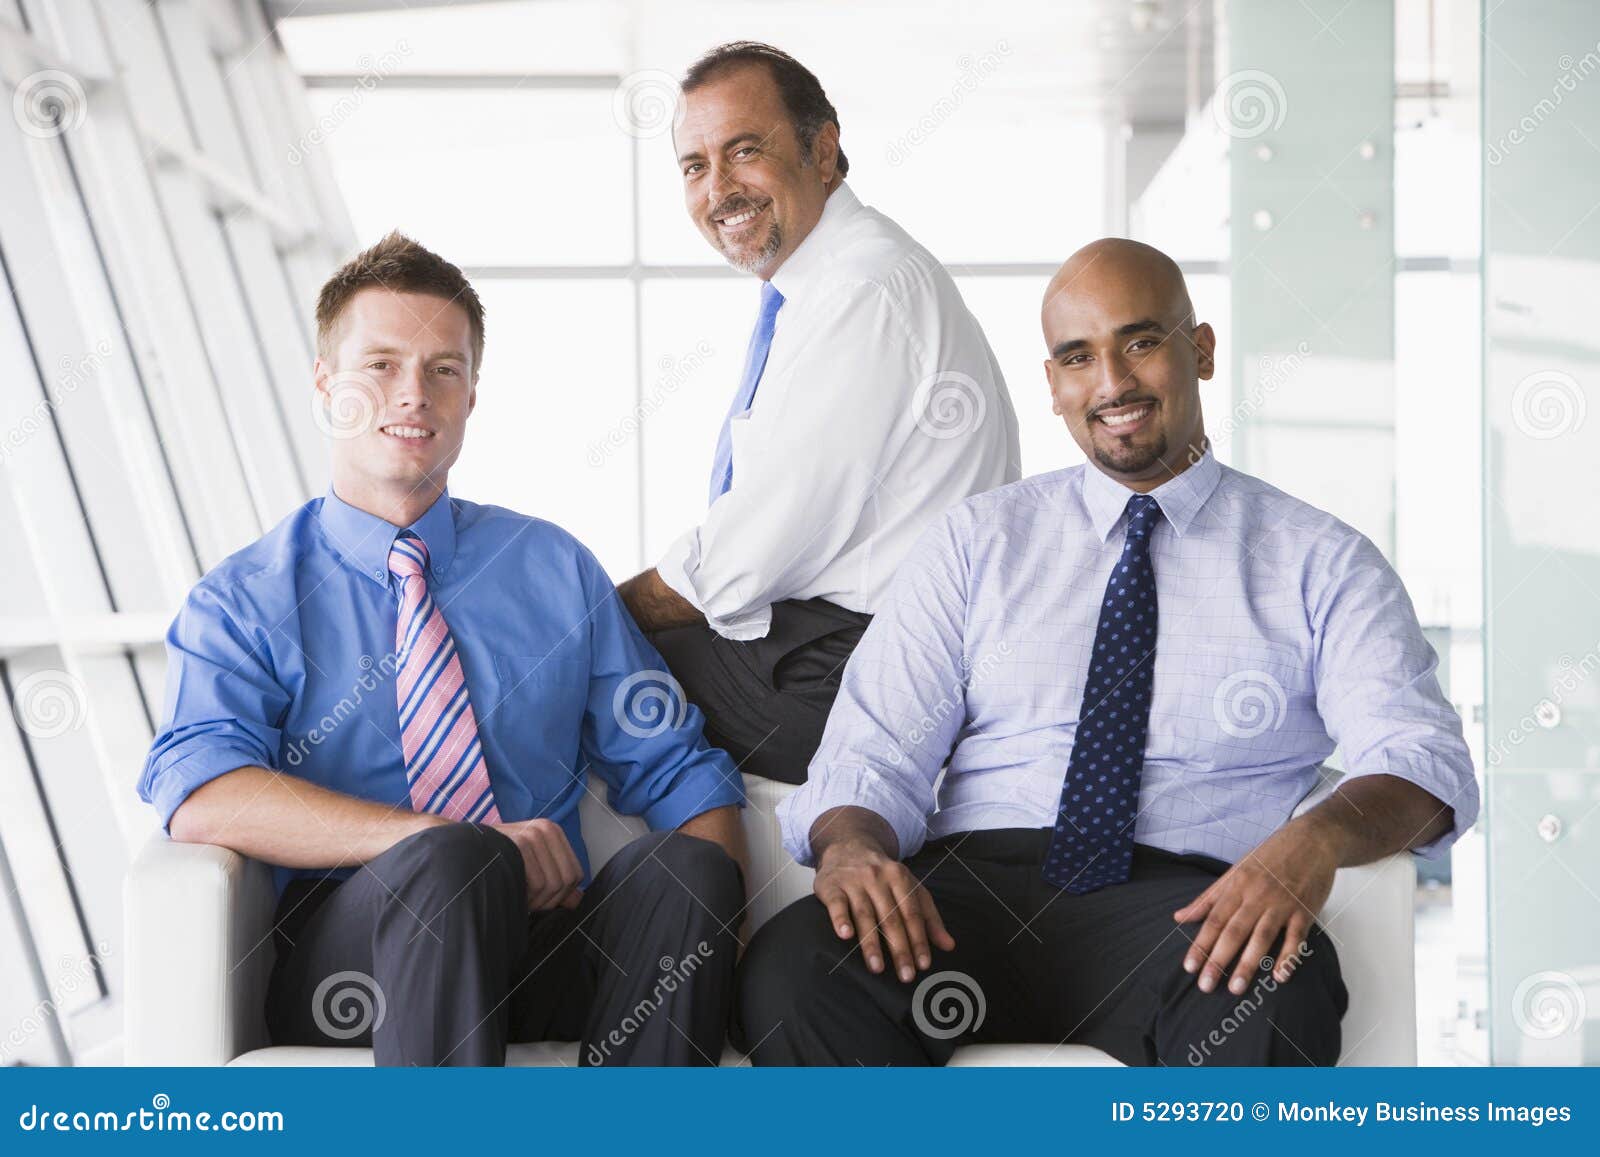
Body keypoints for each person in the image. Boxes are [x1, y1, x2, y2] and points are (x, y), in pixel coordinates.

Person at [736, 238, 1479, 1066]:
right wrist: (852, 845)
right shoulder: (977, 543)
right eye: (1079, 357)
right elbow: (872, 753)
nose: (1113, 383)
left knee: (1273, 981)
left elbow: (1422, 760)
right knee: (796, 967)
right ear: (1053, 385)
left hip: (1187, 911)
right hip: (967, 898)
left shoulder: (1320, 560)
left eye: (1141, 342)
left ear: (1198, 350)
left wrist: (1318, 837)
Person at [140, 232, 746, 1067]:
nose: (413, 394)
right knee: (454, 862)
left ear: (471, 394)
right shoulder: (245, 598)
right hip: (360, 960)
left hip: (545, 938)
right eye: (381, 365)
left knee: (691, 875)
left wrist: (726, 938)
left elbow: (677, 770)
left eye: (443, 369)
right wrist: (434, 838)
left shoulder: (551, 566)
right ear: (327, 387)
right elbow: (204, 790)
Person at [617, 42, 1020, 785]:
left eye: (744, 151)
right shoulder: (833, 279)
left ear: (823, 149)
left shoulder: (862, 291)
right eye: (695, 166)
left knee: (592, 674)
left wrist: (602, 609)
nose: (719, 189)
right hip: (853, 650)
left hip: (857, 680)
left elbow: (745, 558)